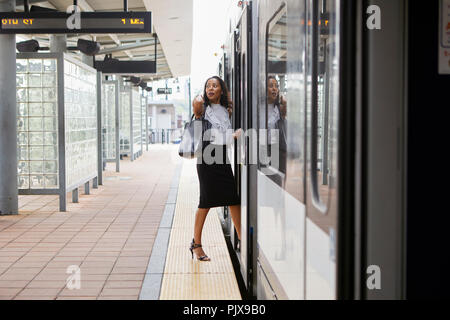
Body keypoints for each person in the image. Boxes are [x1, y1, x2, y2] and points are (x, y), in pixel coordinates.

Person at [189, 76, 242, 261]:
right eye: (208, 86)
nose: (211, 88)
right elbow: (212, 136)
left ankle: (242, 238)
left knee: (233, 199)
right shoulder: (202, 108)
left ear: (221, 90)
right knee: (205, 202)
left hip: (222, 160)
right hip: (207, 161)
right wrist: (234, 136)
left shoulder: (226, 111)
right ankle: (196, 245)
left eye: (215, 85)